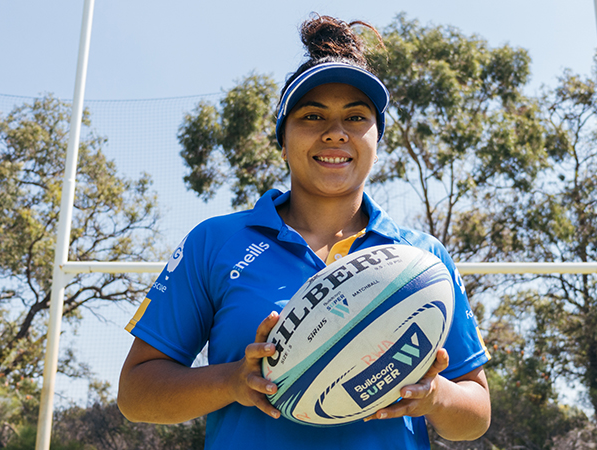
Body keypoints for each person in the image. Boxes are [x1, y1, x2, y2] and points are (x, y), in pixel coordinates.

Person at [118, 15, 491, 450]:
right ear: (283, 138)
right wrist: (233, 381)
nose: (335, 133)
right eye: (313, 116)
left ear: (376, 138)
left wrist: (435, 396)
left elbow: (477, 414)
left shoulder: (422, 260)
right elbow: (136, 395)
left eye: (356, 117)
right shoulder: (215, 242)